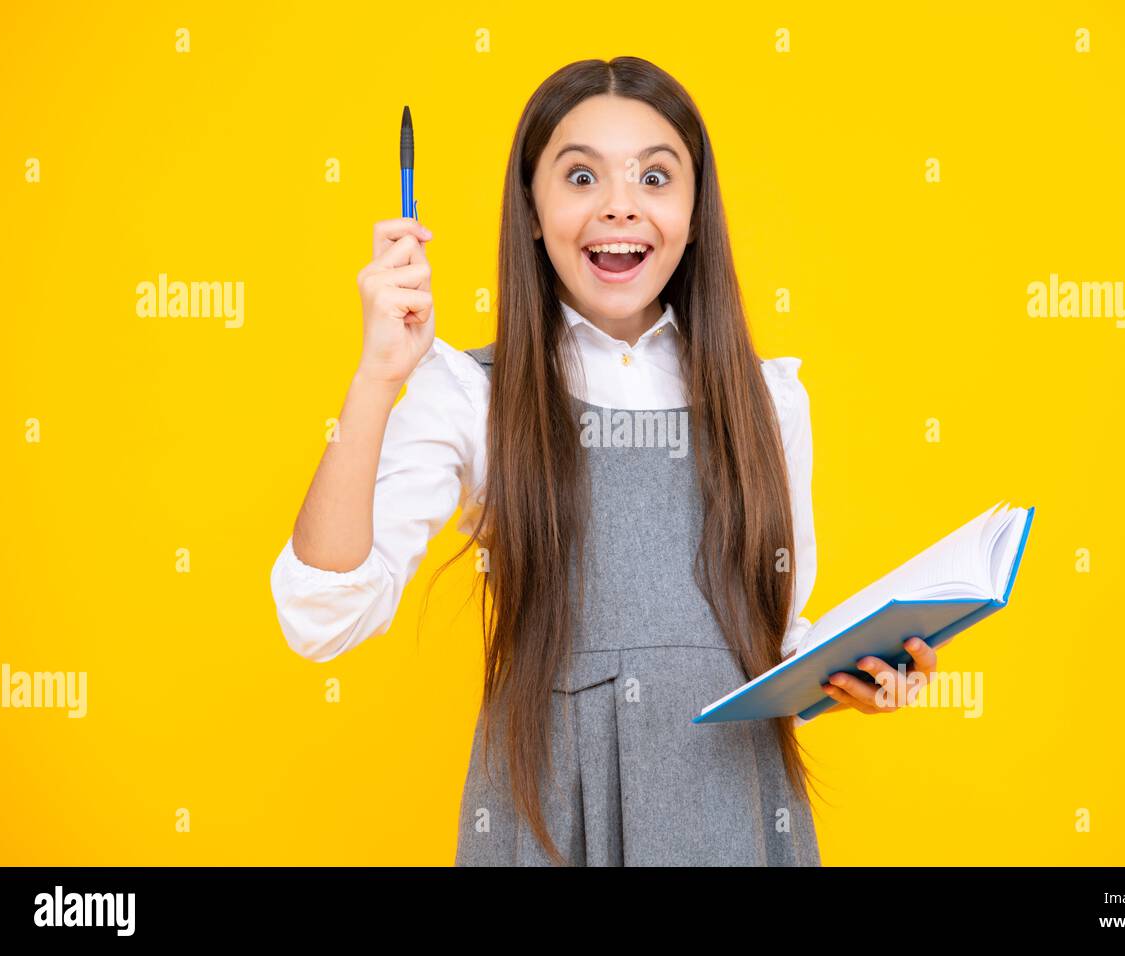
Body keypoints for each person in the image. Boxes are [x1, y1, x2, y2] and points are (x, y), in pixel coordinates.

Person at [270, 56, 938, 866]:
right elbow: (322, 615)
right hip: (551, 817)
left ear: (695, 213)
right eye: (580, 175)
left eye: (655, 177)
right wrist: (377, 378)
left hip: (734, 815)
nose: (620, 205)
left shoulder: (769, 399)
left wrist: (849, 673)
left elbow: (771, 641)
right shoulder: (471, 393)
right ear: (532, 207)